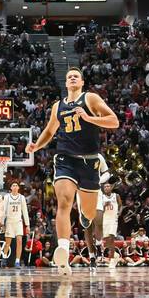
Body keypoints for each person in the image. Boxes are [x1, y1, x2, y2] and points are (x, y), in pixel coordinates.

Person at [26, 67, 120, 273]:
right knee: (64, 201)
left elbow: (114, 121)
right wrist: (36, 146)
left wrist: (89, 118)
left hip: (89, 161)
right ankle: (63, 249)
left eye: (76, 76)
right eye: (69, 76)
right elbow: (50, 130)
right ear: (66, 83)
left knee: (87, 213)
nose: (72, 77)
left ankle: (84, 219)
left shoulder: (91, 99)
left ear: (82, 82)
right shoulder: (57, 106)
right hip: (65, 158)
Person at [0, 180, 30, 268]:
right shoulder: (7, 197)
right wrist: (2, 223)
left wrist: (27, 225)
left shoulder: (22, 198)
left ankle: (17, 261)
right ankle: (4, 258)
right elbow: (4, 210)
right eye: (13, 185)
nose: (15, 187)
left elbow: (25, 211)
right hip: (9, 221)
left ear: (18, 187)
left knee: (19, 241)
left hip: (18, 222)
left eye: (16, 185)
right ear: (10, 187)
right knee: (8, 242)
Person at [98, 181, 122, 267]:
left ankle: (111, 259)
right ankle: (115, 254)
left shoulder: (116, 196)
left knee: (111, 237)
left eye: (108, 186)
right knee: (107, 240)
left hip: (113, 219)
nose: (107, 188)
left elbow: (120, 205)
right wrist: (104, 206)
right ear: (103, 189)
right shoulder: (102, 197)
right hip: (105, 220)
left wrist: (119, 212)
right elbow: (100, 210)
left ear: (111, 187)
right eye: (105, 187)